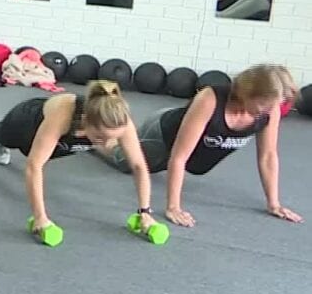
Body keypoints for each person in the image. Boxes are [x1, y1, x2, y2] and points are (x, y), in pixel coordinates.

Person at [95, 64, 301, 226]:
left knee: (135, 149)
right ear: (248, 92)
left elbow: (268, 156)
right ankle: (95, 135)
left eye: (275, 105)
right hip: (163, 136)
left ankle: (124, 134)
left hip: (185, 123)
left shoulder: (268, 111)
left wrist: (274, 204)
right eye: (265, 104)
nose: (271, 110)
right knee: (123, 158)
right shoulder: (211, 99)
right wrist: (173, 207)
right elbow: (179, 156)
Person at [0, 81, 159, 238]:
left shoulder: (119, 120)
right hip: (26, 124)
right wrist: (40, 217)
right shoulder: (64, 113)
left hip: (62, 142)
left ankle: (3, 143)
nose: (108, 143)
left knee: (48, 150)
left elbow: (139, 166)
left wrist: (145, 212)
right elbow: (34, 166)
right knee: (1, 134)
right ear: (86, 121)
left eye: (113, 137)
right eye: (102, 137)